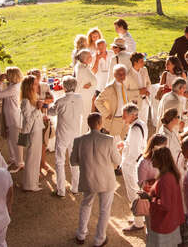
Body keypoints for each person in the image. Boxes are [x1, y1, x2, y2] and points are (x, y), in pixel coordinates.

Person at [72, 112, 119, 247]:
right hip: (106, 180)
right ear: (100, 124)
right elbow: (117, 160)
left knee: (86, 205)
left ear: (88, 124)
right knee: (104, 209)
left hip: (88, 178)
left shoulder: (79, 140)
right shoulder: (109, 140)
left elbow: (73, 161)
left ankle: (81, 234)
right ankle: (99, 239)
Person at [49, 75, 87, 197]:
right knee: (74, 161)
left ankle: (61, 190)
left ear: (64, 87)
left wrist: (47, 106)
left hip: (62, 134)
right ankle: (75, 187)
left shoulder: (60, 101)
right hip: (75, 133)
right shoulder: (80, 98)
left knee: (60, 161)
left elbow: (51, 112)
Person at [145, 146, 185, 247]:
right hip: (171, 223)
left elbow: (165, 205)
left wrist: (149, 198)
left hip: (163, 225)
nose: (152, 160)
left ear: (160, 160)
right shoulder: (171, 175)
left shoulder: (165, 179)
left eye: (154, 158)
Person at [119, 104, 150, 233]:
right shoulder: (141, 124)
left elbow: (134, 152)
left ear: (133, 115)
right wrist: (125, 144)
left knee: (133, 194)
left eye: (124, 116)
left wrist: (124, 163)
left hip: (132, 166)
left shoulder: (135, 130)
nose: (123, 118)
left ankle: (138, 223)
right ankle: (139, 218)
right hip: (136, 164)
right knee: (136, 192)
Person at [17, 76, 46, 191]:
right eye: (34, 84)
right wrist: (38, 109)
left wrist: (42, 115)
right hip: (32, 132)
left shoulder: (33, 98)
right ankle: (29, 185)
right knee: (32, 158)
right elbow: (28, 120)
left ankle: (33, 182)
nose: (37, 85)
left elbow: (35, 116)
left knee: (36, 157)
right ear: (29, 86)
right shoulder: (25, 101)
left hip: (37, 130)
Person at [0, 66, 24, 169]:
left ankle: (19, 162)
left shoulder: (14, 88)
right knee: (10, 139)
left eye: (8, 74)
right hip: (9, 116)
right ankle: (13, 158)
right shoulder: (12, 85)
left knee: (16, 141)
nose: (6, 75)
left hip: (13, 118)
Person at [96, 65, 133, 138]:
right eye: (120, 74)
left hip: (126, 119)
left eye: (124, 74)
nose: (122, 76)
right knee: (114, 144)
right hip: (115, 120)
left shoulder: (126, 85)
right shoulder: (110, 88)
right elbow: (97, 101)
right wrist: (106, 113)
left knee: (123, 144)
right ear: (115, 75)